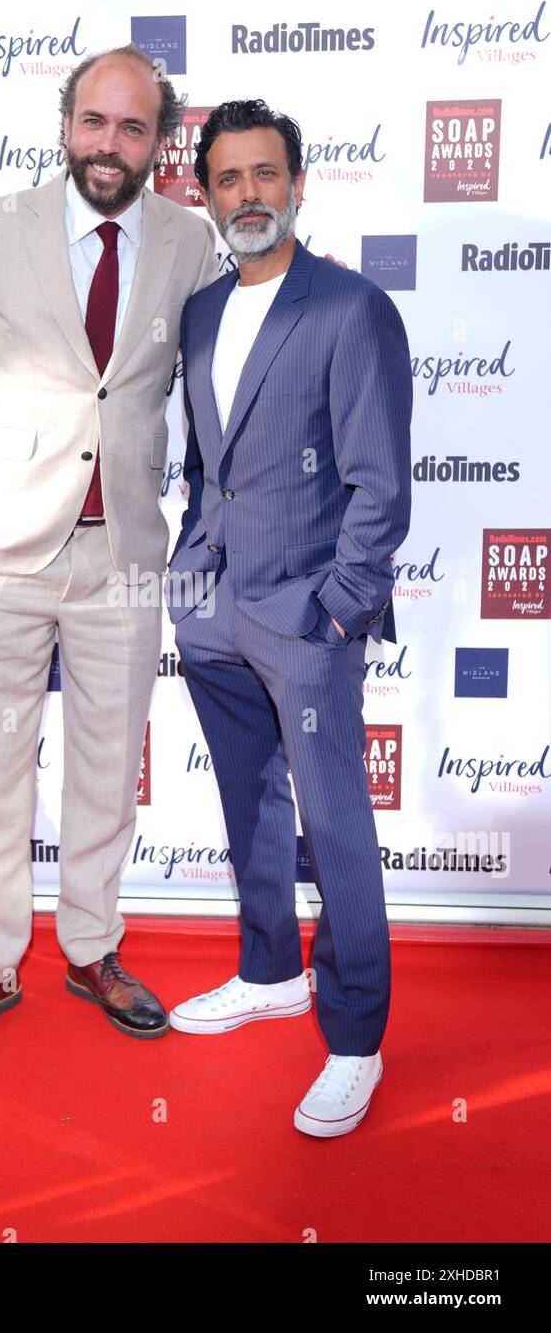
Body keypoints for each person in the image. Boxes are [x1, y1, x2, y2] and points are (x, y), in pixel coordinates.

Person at [0, 45, 219, 1056]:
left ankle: (92, 946)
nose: (110, 145)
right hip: (1, 550)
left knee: (103, 767)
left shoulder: (187, 240)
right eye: (96, 122)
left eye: (134, 128)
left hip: (124, 552)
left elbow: (209, 387)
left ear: (159, 144)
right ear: (66, 123)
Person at [165, 99, 413, 1137]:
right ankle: (271, 970)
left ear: (299, 184)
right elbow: (207, 462)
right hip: (215, 609)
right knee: (250, 807)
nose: (248, 196)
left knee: (336, 826)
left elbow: (380, 487)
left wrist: (336, 615)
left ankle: (356, 1035)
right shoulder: (203, 311)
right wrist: (188, 576)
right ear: (209, 196)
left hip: (307, 619)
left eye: (266, 175)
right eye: (229, 180)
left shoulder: (351, 310)